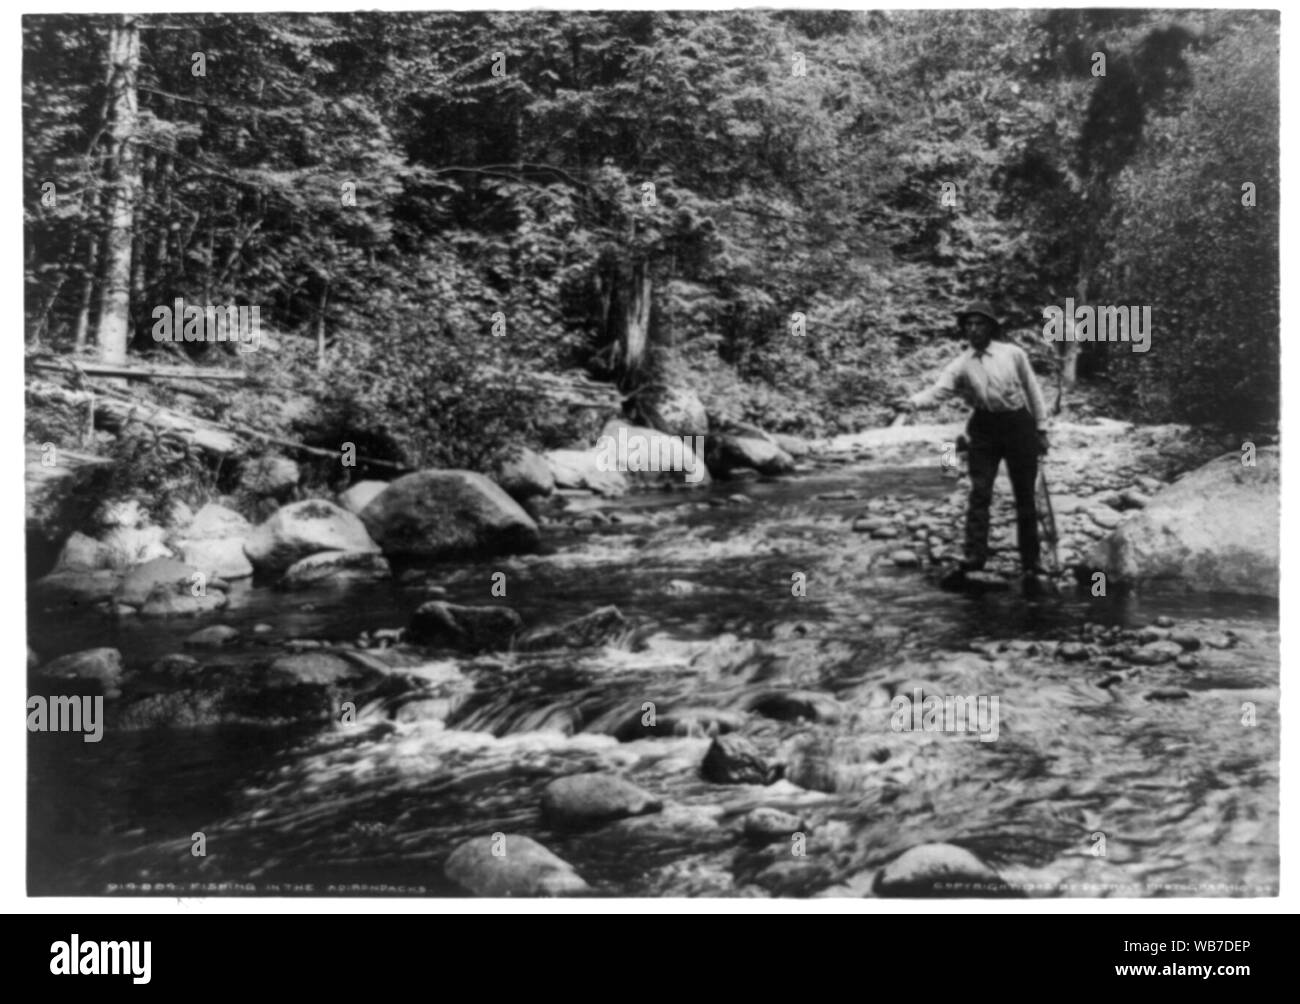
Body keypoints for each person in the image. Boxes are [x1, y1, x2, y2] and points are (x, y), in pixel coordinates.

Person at [893, 301, 1050, 593]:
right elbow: (939, 391)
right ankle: (974, 558)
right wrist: (912, 402)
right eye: (969, 325)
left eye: (979, 324)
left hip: (1018, 425)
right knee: (979, 494)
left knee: (1025, 496)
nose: (973, 330)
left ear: (991, 328)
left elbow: (1033, 390)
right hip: (983, 428)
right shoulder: (962, 363)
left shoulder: (1013, 354)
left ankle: (1032, 561)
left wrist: (1041, 429)